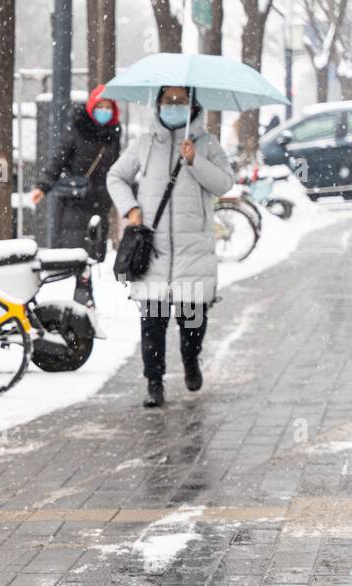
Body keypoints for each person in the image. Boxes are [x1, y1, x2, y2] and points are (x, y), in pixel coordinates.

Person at [106, 85, 233, 408]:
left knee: (193, 322)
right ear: (158, 104)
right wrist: (131, 209)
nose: (173, 106)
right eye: (168, 101)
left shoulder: (207, 144)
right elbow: (115, 176)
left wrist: (195, 161)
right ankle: (154, 382)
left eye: (180, 101)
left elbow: (223, 184)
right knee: (152, 323)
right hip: (154, 251)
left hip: (194, 251)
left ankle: (191, 361)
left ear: (192, 105)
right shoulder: (146, 144)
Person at [31, 85, 121, 249]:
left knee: (94, 253)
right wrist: (42, 186)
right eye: (100, 106)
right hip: (75, 201)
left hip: (100, 203)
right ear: (91, 107)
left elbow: (117, 168)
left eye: (108, 107)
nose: (104, 111)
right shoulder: (77, 128)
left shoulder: (113, 135)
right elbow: (58, 159)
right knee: (73, 250)